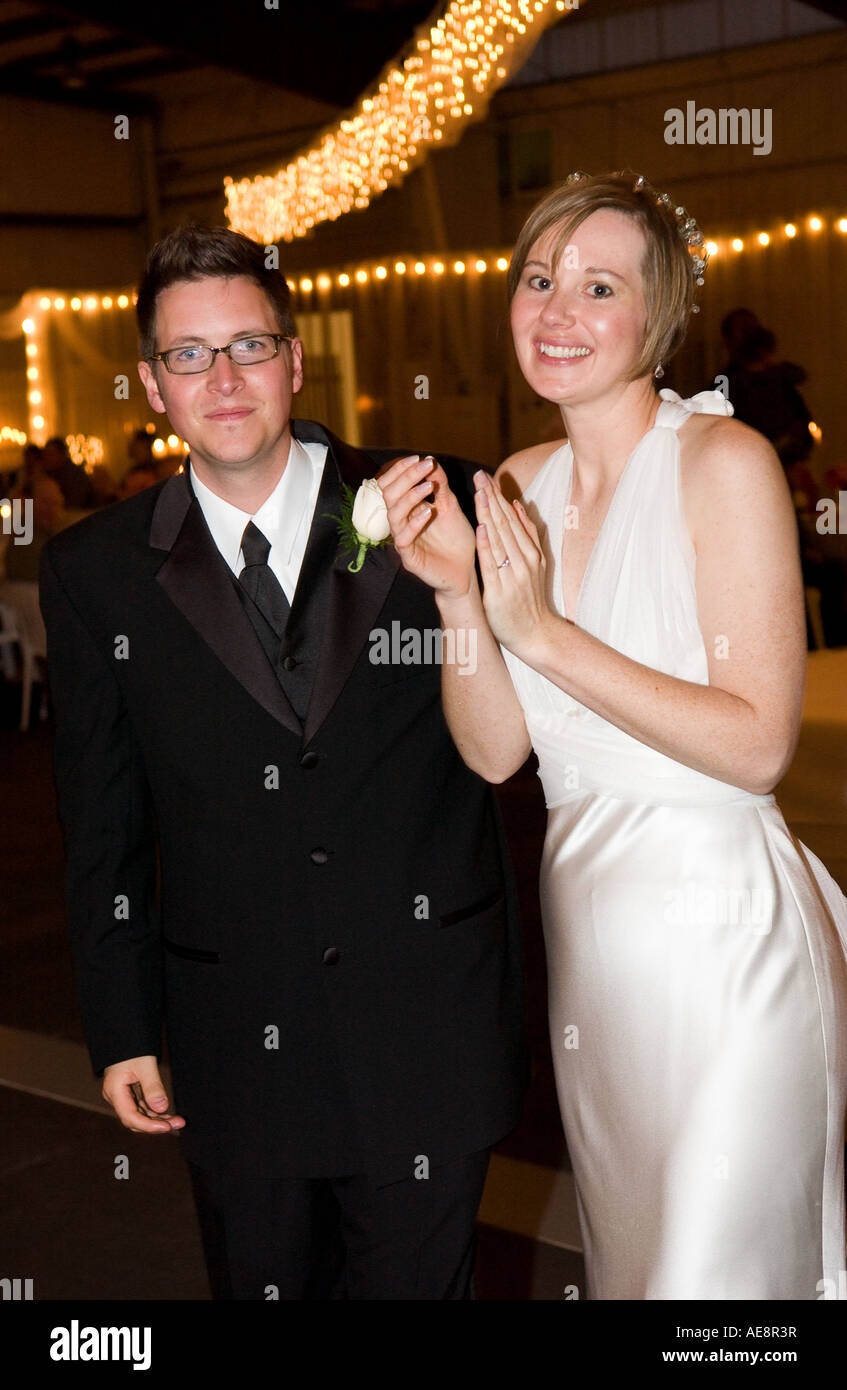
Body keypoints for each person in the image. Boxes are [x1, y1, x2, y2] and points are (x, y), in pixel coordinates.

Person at [383, 171, 847, 1300]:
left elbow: (755, 747)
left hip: (727, 950)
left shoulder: (721, 465)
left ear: (660, 316)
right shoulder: (519, 483)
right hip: (594, 958)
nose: (557, 311)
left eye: (598, 286)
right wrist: (455, 600)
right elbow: (499, 753)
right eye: (538, 280)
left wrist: (540, 631)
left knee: (719, 1280)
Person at [40, 225, 527, 1300]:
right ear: (151, 385)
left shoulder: (436, 498)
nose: (223, 378)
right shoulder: (94, 572)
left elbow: (509, 741)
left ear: (296, 362)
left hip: (423, 1030)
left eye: (249, 346)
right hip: (235, 1044)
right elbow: (104, 820)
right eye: (189, 355)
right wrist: (120, 1026)